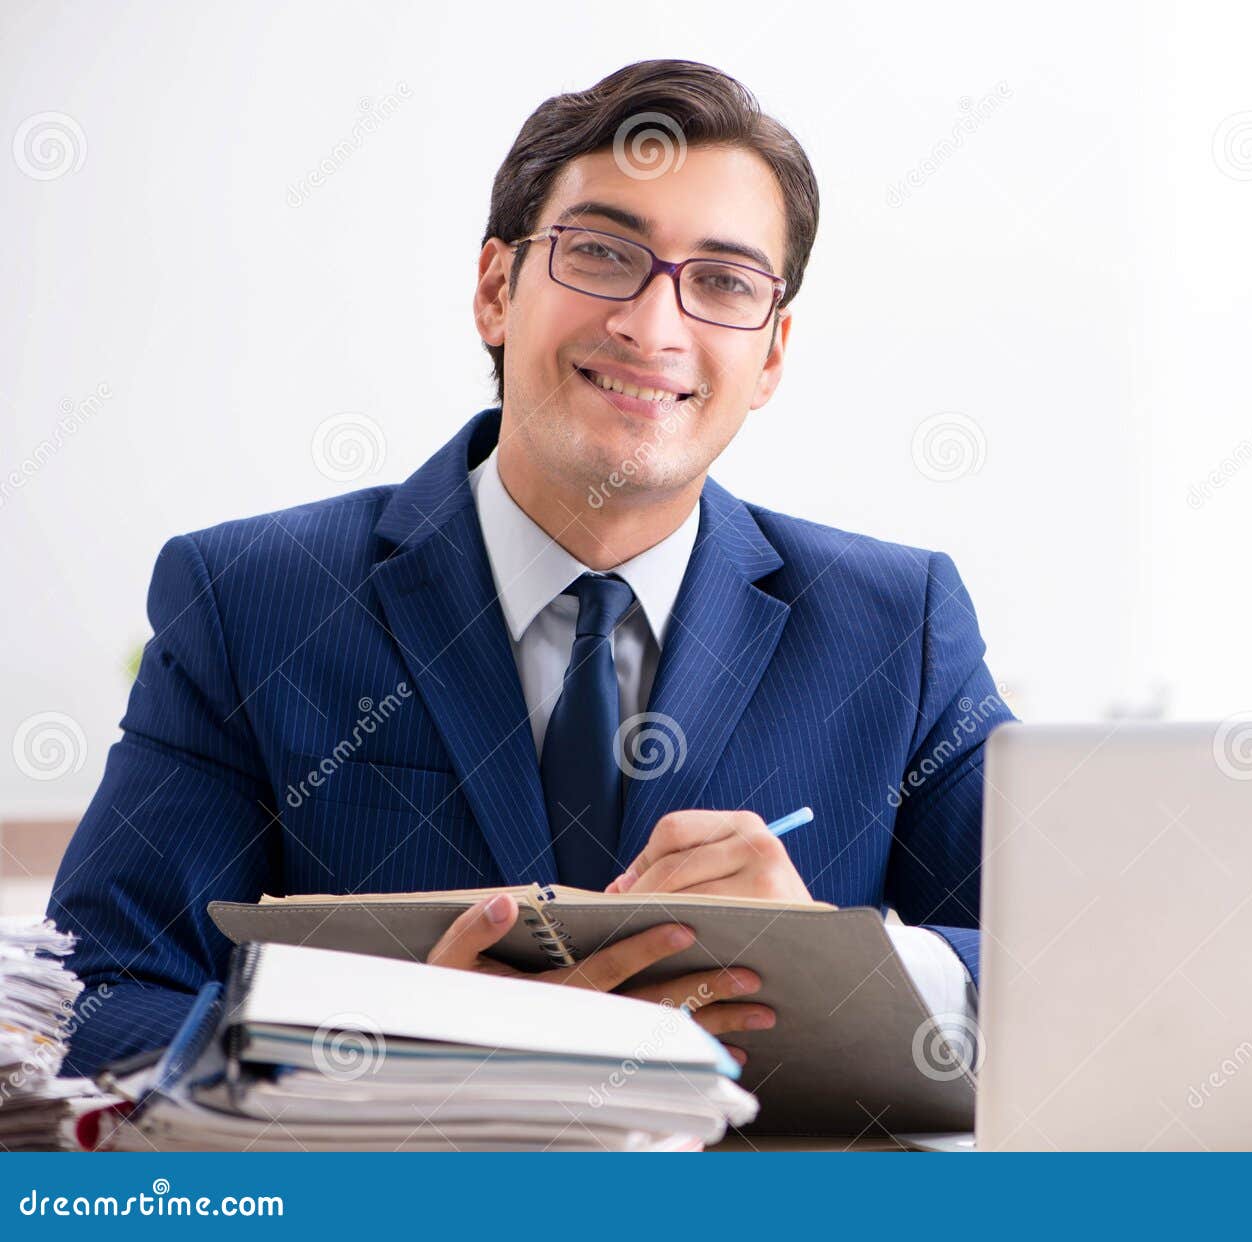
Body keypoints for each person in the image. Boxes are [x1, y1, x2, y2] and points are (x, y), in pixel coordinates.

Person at [48, 58, 1012, 1077]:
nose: (652, 328)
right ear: (497, 290)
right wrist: (377, 1043)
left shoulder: (894, 628)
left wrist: (839, 958)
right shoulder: (252, 601)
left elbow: (1088, 974)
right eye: (602, 255)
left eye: (724, 282)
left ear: (770, 355)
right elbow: (91, 1001)